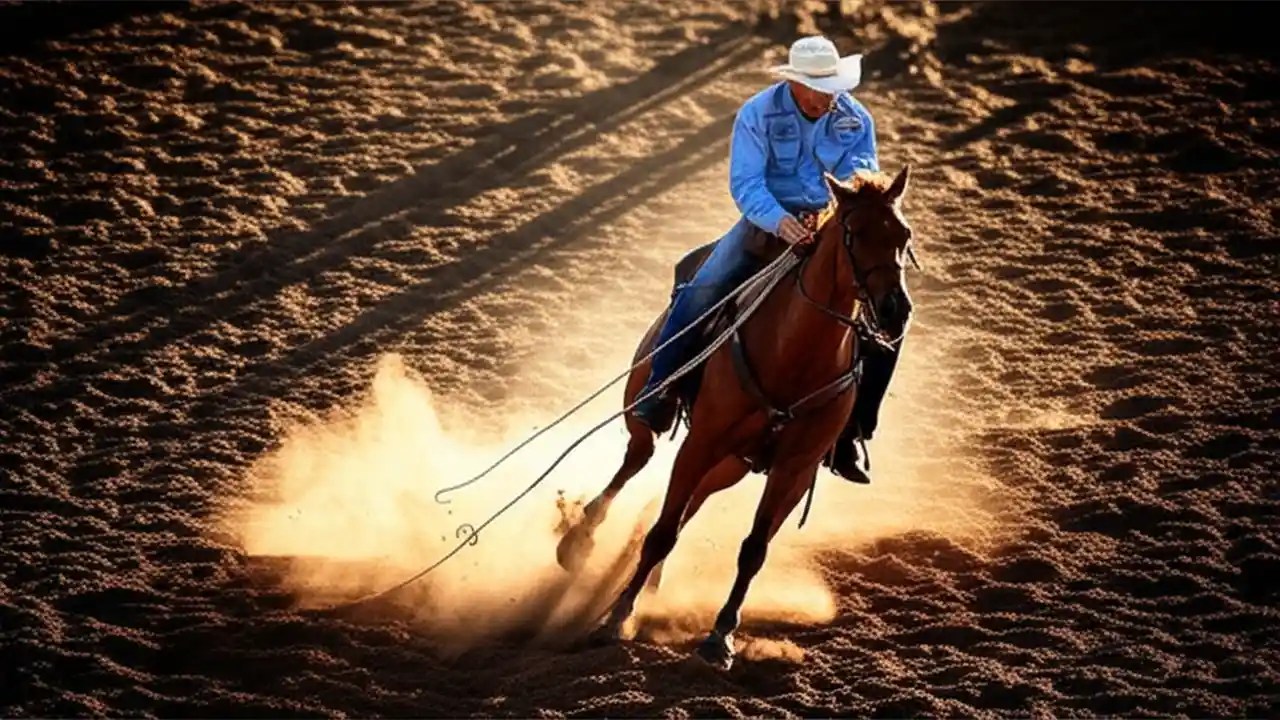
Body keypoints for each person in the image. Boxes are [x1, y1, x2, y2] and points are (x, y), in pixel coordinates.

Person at [630, 35, 904, 484]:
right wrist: (781, 222)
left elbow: (863, 178)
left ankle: (851, 432)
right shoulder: (758, 113)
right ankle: (660, 389)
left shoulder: (855, 120)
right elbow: (746, 183)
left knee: (890, 314)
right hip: (764, 225)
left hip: (832, 230)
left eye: (831, 85)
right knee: (703, 288)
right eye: (816, 87)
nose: (825, 96)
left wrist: (832, 216)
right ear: (795, 84)